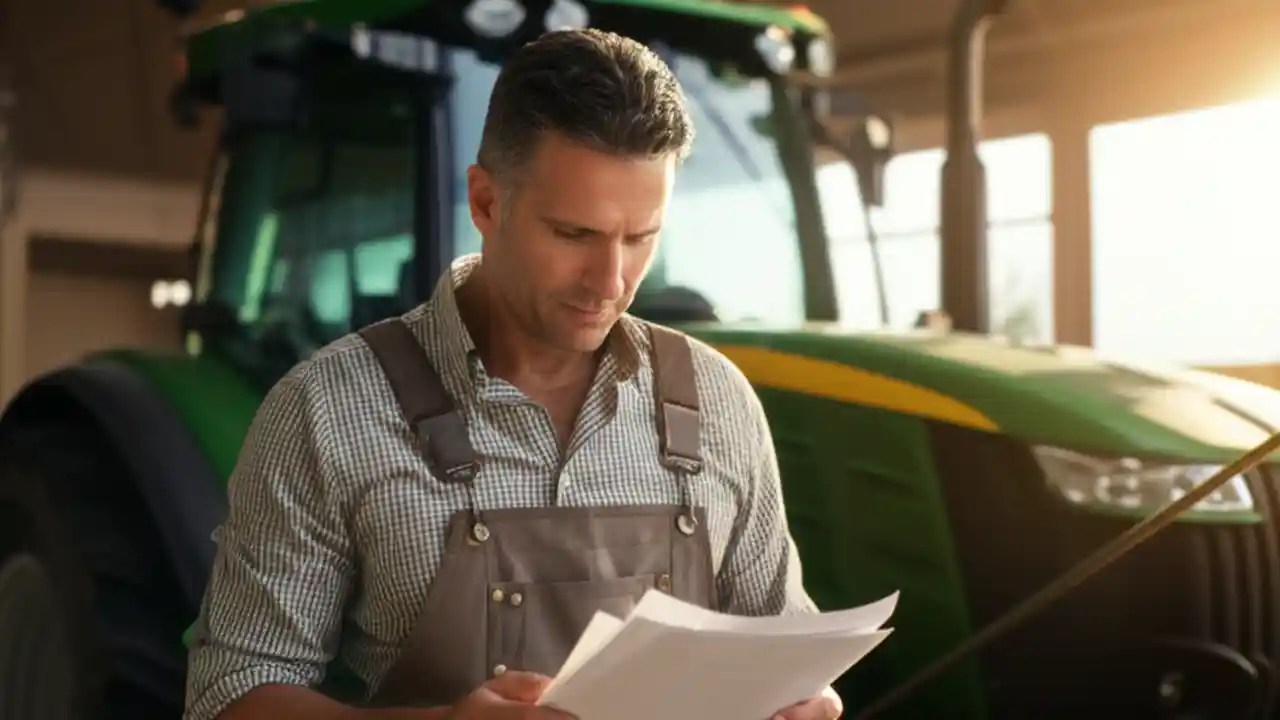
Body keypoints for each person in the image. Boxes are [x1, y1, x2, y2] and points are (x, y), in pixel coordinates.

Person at [184, 27, 841, 720]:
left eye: (640, 238)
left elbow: (781, 648)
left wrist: (802, 701)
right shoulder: (326, 410)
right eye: (575, 234)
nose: (610, 282)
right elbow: (230, 694)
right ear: (486, 203)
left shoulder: (719, 402)